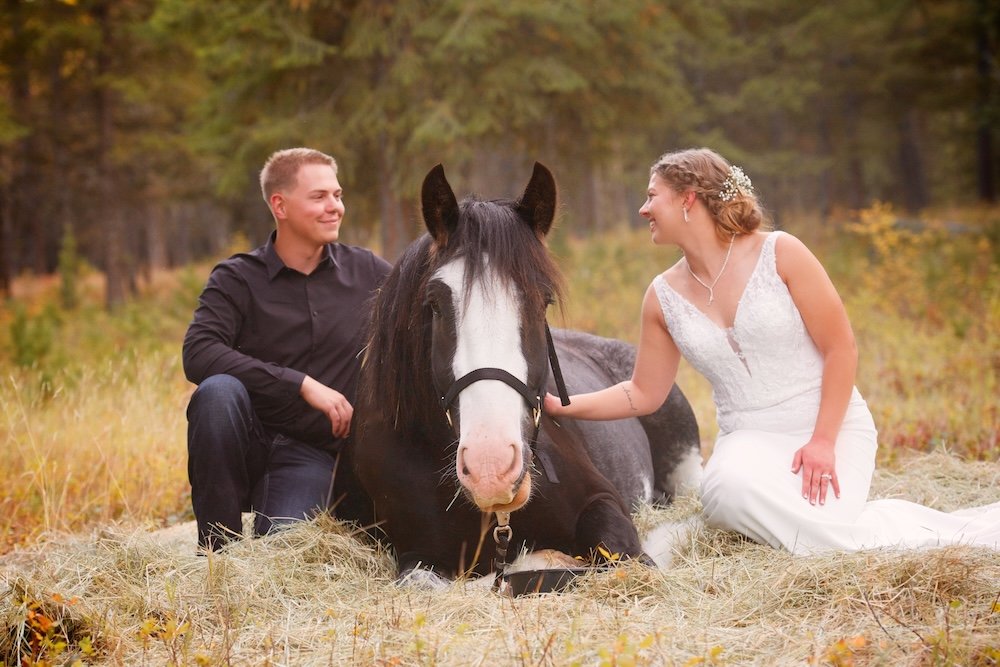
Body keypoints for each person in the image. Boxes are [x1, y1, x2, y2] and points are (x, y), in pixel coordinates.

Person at [544, 148, 999, 554]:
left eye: (652, 196)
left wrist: (822, 442)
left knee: (819, 519)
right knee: (726, 496)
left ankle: (908, 539)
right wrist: (564, 406)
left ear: (688, 199)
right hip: (748, 441)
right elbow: (643, 393)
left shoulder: (781, 252)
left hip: (828, 426)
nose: (643, 209)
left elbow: (841, 348)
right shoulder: (661, 296)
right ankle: (851, 545)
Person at [183, 148, 392, 551]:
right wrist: (300, 384)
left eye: (337, 195)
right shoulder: (236, 278)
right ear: (280, 205)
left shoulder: (368, 272)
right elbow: (198, 352)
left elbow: (434, 318)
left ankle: (268, 536)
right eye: (319, 196)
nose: (335, 207)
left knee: (283, 553)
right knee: (216, 393)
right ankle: (217, 554)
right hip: (244, 440)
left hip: (310, 452)